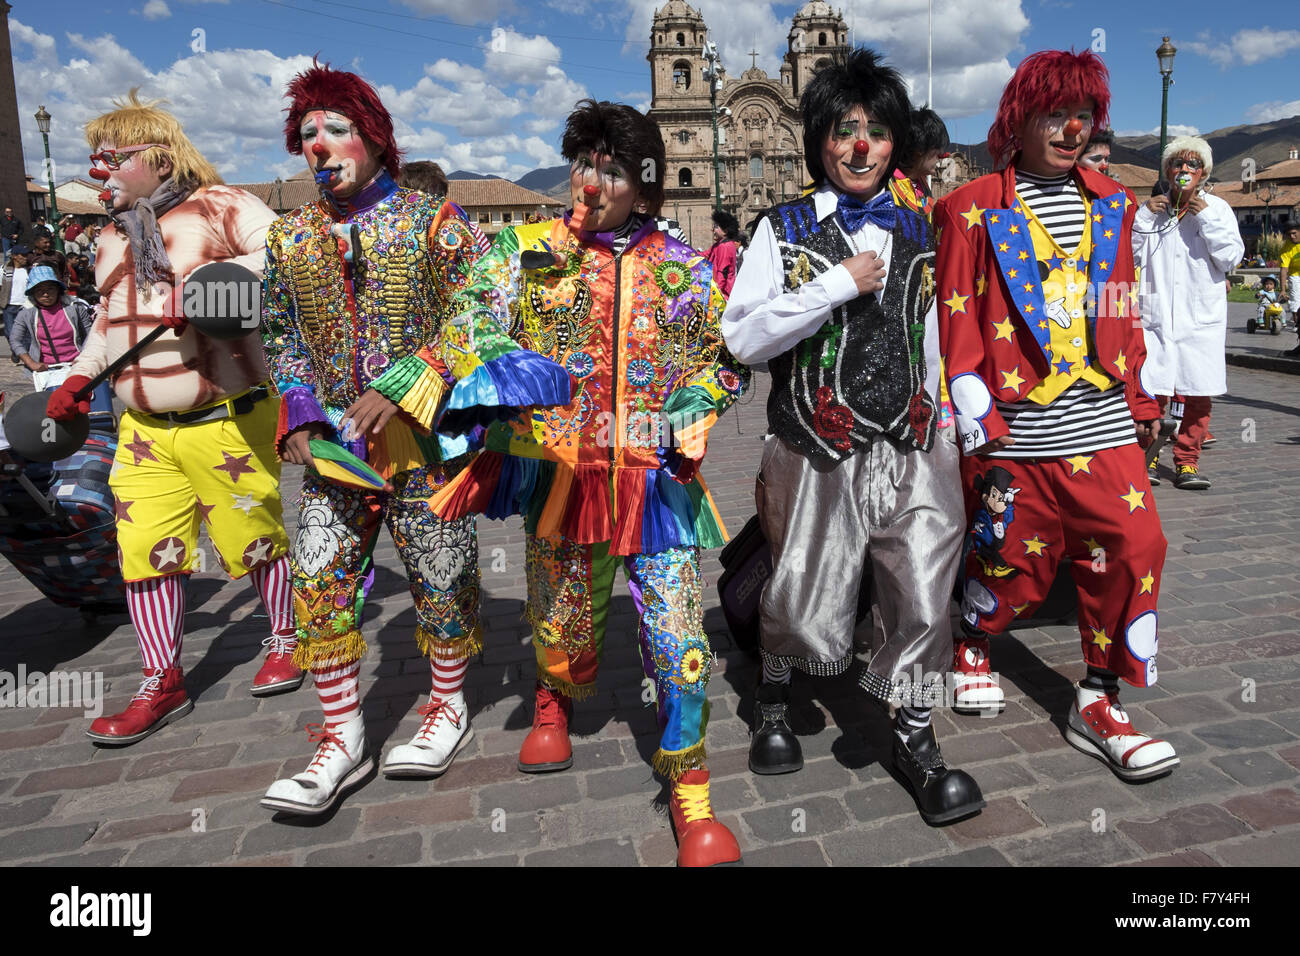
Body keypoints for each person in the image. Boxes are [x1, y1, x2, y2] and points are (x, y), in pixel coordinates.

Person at [429, 99, 750, 865]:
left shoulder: (681, 266)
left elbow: (727, 354)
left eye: (613, 169)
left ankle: (693, 791)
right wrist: (501, 358)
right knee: (562, 609)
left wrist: (701, 401)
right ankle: (554, 699)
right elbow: (467, 314)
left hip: (656, 481)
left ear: (645, 187)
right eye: (584, 163)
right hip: (566, 474)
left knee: (679, 638)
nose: (593, 181)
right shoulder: (527, 249)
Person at [723, 49, 984, 826]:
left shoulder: (918, 228)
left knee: (926, 591)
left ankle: (915, 732)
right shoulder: (783, 228)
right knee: (800, 592)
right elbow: (743, 337)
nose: (861, 146)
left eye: (875, 131)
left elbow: (928, 327)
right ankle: (775, 690)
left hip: (909, 443)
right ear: (821, 142)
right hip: (812, 443)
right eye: (845, 130)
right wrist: (836, 284)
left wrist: (944, 415)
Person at [936, 49, 1178, 782]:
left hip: (1100, 420)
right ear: (1020, 117)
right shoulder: (970, 205)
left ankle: (1099, 699)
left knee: (1136, 546)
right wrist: (971, 410)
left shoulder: (1115, 202)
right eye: (1054, 114)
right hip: (1015, 424)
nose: (1071, 130)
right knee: (1013, 560)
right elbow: (957, 311)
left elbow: (1119, 305)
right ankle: (972, 638)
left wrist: (1138, 396)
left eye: (1083, 116)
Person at [259, 63, 489, 816]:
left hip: (425, 446)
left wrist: (411, 380)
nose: (318, 147)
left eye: (334, 130)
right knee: (319, 584)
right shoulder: (291, 237)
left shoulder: (432, 221)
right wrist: (297, 410)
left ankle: (446, 706)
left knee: (442, 578)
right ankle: (341, 737)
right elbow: (280, 331)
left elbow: (484, 309)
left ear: (374, 138)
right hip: (336, 457)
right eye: (306, 136)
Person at [43, 91, 300, 746]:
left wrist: (214, 281)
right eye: (95, 159)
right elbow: (111, 323)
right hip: (143, 431)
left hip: (225, 418)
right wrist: (79, 375)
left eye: (111, 158)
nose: (100, 171)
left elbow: (293, 255)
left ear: (157, 157)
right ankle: (162, 679)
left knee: (254, 537)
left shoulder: (222, 205)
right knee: (145, 553)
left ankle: (284, 637)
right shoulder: (110, 235)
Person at [1132, 136, 1244, 491]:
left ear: (1204, 172)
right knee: (1152, 392)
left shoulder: (1218, 209)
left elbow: (1230, 259)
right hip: (1157, 317)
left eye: (1192, 165)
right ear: (1167, 171)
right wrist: (1145, 216)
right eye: (1177, 164)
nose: (1184, 170)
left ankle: (1187, 462)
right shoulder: (1151, 211)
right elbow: (1129, 257)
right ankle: (1146, 457)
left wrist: (1206, 217)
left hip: (1199, 321)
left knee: (1197, 393)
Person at [704, 209, 743, 295]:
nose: (713, 230)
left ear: (725, 231)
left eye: (716, 227)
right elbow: (705, 255)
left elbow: (722, 272)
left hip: (723, 292)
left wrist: (716, 292)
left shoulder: (725, 246)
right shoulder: (718, 245)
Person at [2, 244, 29, 362]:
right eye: (22, 255)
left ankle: (22, 353)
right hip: (9, 305)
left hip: (24, 305)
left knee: (25, 333)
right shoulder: (4, 270)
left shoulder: (29, 270)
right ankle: (16, 350)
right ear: (14, 256)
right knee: (9, 332)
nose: (25, 257)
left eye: (26, 255)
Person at [1281, 222, 1300, 353]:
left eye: (1295, 233)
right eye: (1289, 235)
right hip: (1295, 274)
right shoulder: (1286, 248)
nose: (1292, 236)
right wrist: (1282, 289)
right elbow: (1284, 269)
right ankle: (1297, 323)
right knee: (1295, 300)